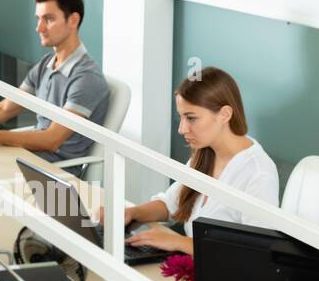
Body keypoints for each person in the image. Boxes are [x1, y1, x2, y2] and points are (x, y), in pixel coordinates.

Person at [101, 67, 279, 255]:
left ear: (225, 115)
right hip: (193, 266)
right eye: (181, 117)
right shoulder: (205, 153)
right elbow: (171, 204)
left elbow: (257, 251)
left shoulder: (259, 174)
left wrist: (179, 242)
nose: (182, 129)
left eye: (191, 118)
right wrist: (132, 213)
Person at [0, 0, 108, 162]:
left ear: (73, 20)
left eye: (49, 19)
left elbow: (50, 140)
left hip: (55, 172)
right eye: (38, 19)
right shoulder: (46, 64)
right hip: (30, 156)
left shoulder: (86, 78)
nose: (39, 28)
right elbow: (3, 109)